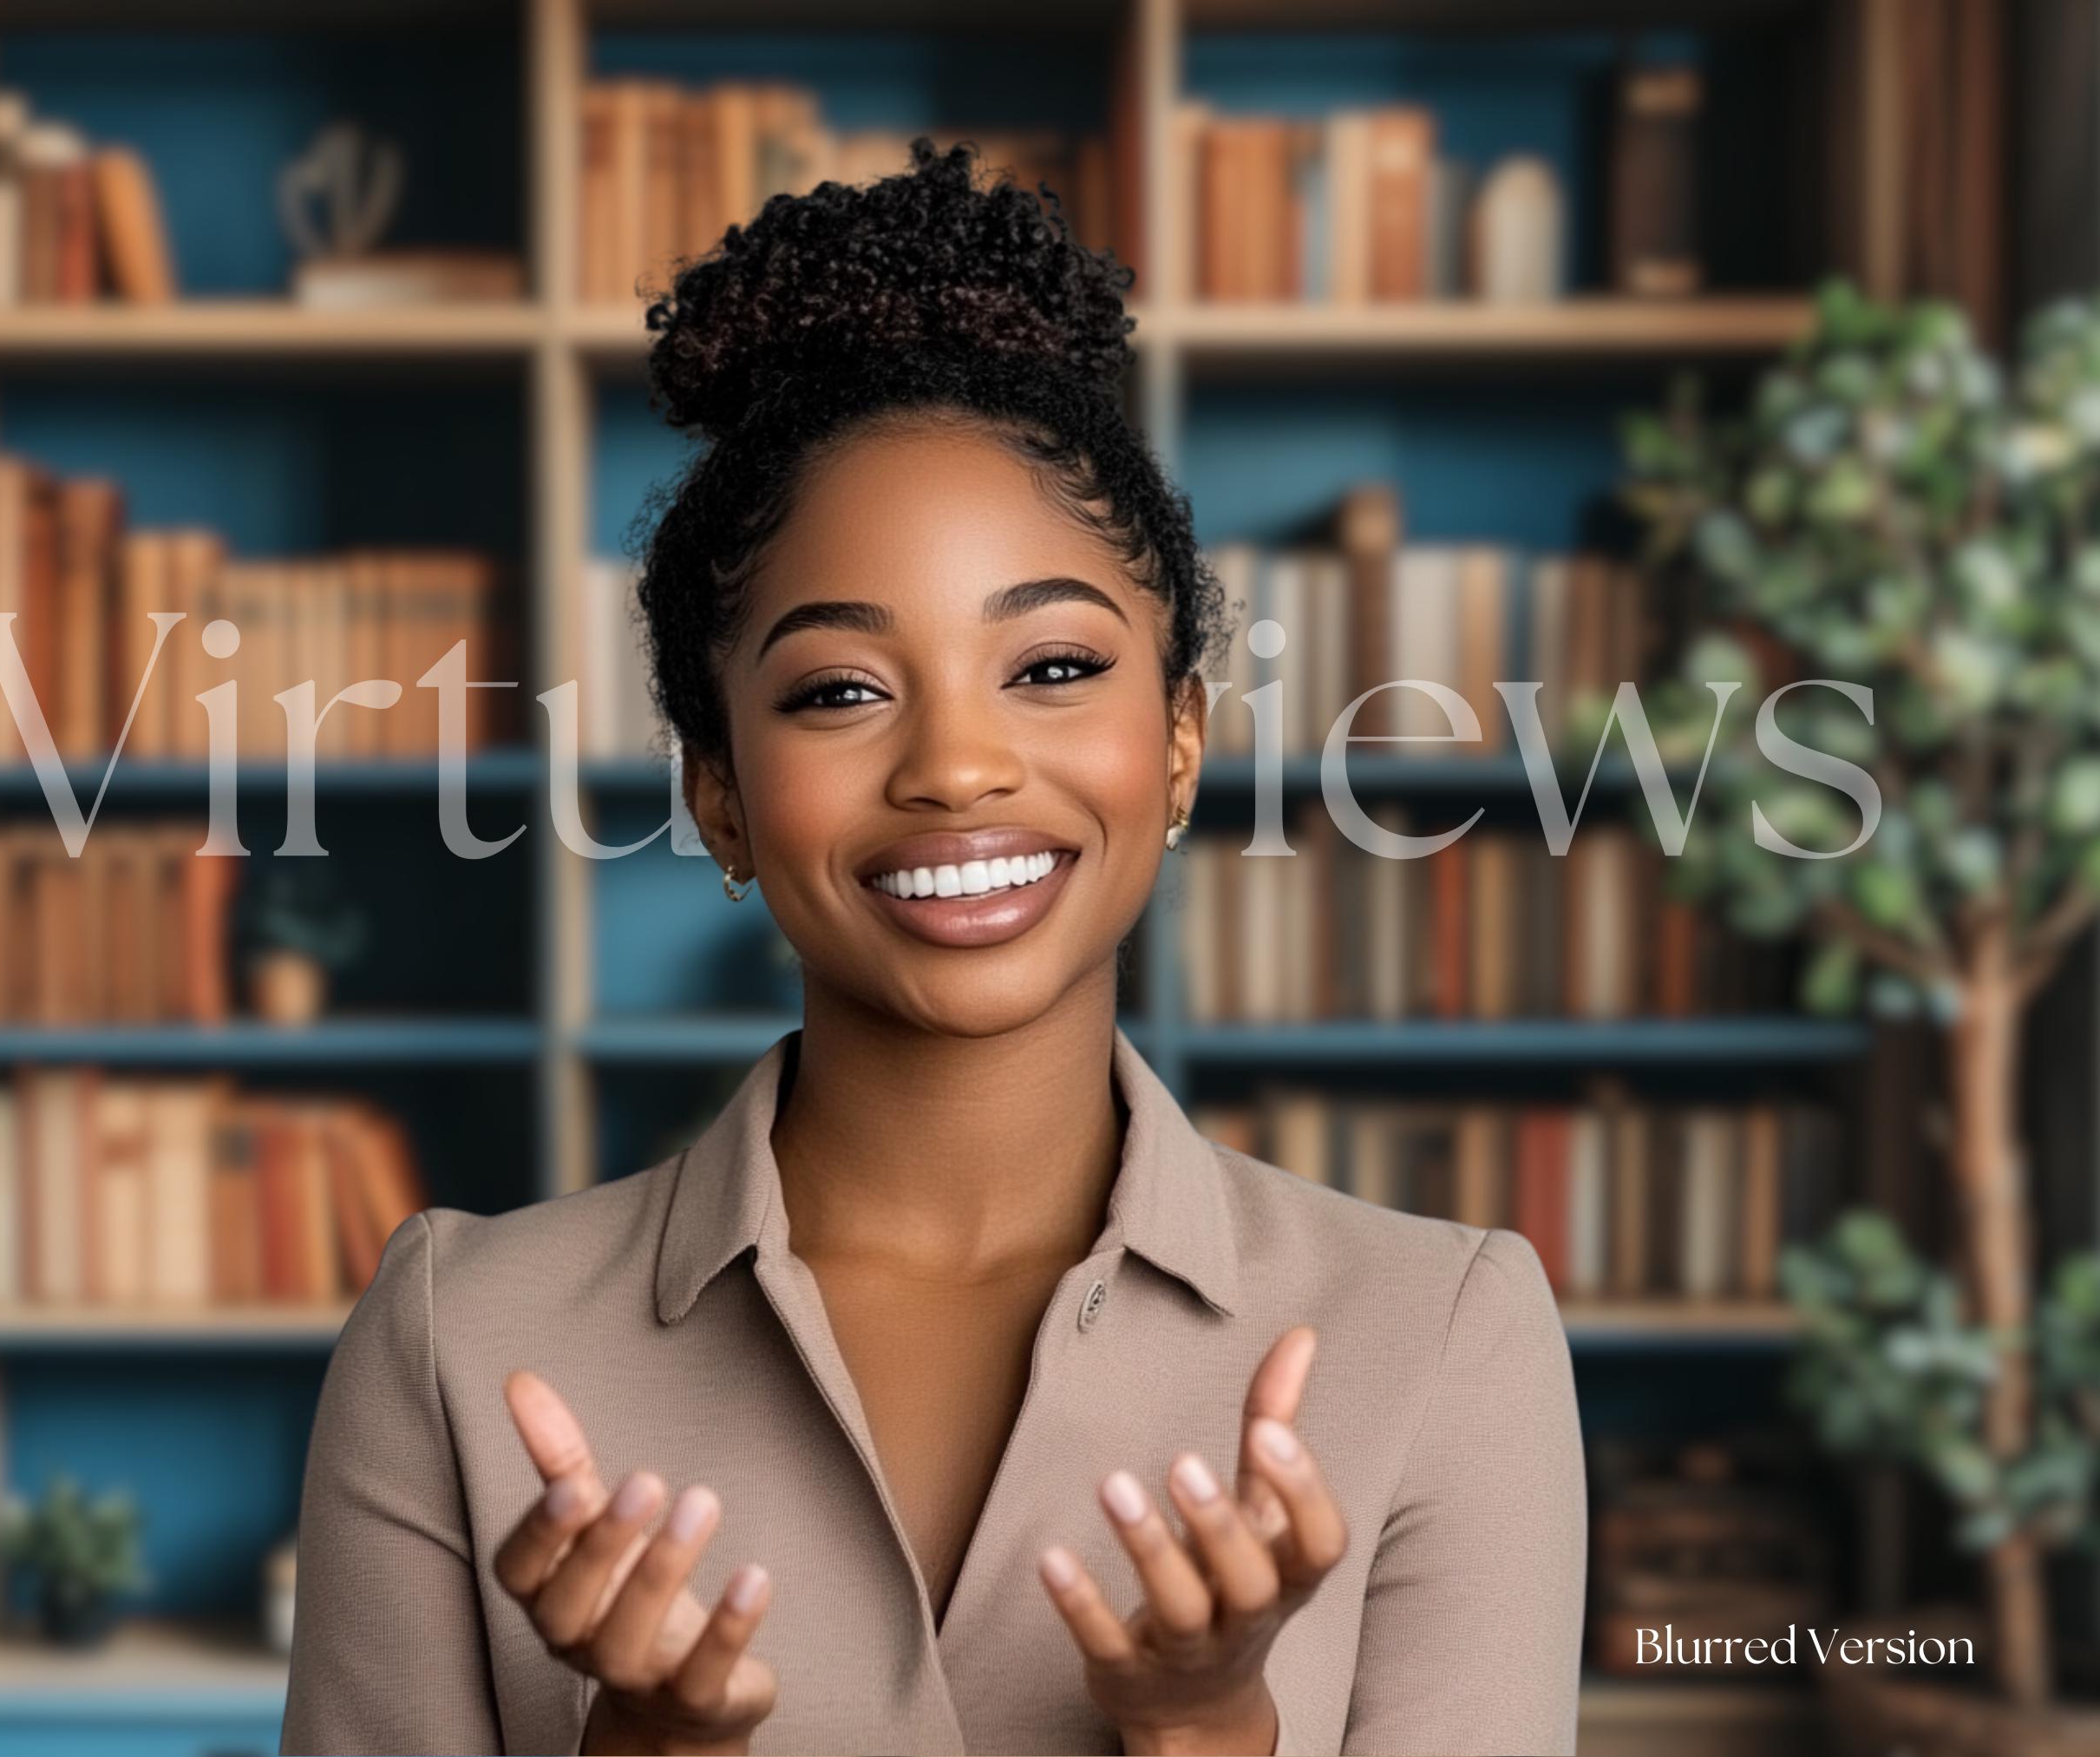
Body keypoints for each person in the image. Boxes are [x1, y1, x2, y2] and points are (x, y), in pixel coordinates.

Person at [280, 140, 1585, 1757]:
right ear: (721, 797)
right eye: (838, 689)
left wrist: (1205, 1729)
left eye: (1049, 667)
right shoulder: (456, 1340)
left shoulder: (1446, 1335)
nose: (957, 766)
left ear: (1179, 746)